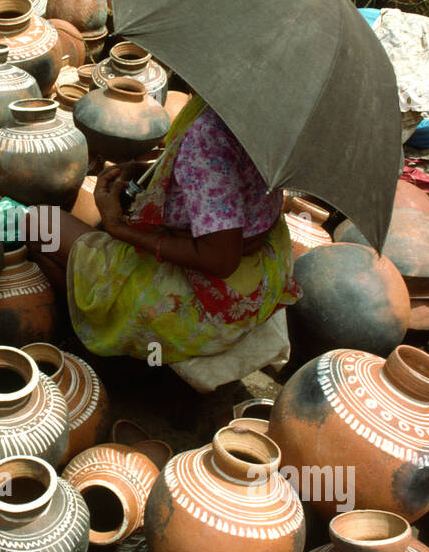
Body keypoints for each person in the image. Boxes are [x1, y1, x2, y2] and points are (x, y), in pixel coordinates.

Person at [27, 94, 300, 364]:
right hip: (266, 278)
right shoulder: (276, 110)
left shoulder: (209, 135)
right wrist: (147, 171)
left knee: (38, 223)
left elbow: (221, 258)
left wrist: (120, 229)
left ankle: (100, 345)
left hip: (214, 304)